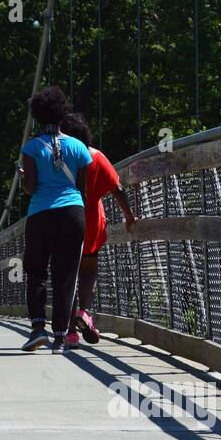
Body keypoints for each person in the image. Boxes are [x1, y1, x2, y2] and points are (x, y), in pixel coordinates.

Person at [17, 86, 93, 353]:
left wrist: (22, 174)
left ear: (37, 115)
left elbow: (30, 188)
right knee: (65, 275)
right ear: (62, 113)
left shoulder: (31, 148)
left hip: (40, 214)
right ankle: (60, 337)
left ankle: (38, 328)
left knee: (36, 271)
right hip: (73, 213)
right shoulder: (79, 147)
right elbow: (81, 188)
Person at [59, 113, 136, 346]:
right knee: (89, 269)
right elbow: (118, 189)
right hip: (91, 220)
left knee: (68, 274)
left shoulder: (58, 158)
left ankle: (70, 332)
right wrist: (130, 217)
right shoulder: (96, 157)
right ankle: (85, 312)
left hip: (64, 218)